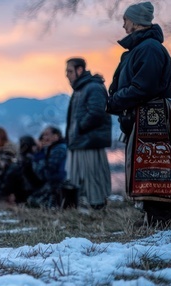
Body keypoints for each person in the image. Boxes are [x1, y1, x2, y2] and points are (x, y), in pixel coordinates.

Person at [107, 1, 171, 227]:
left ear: (135, 22)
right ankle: (153, 215)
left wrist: (114, 101)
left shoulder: (150, 49)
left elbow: (143, 87)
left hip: (153, 120)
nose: (123, 24)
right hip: (145, 119)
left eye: (126, 19)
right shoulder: (142, 48)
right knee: (148, 166)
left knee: (156, 166)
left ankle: (163, 218)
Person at [65, 57, 113, 209]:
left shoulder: (93, 87)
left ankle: (97, 206)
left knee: (93, 176)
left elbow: (97, 113)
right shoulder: (81, 89)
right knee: (80, 177)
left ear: (80, 70)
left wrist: (80, 128)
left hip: (90, 141)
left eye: (70, 71)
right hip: (81, 141)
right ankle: (85, 206)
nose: (67, 75)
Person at [27, 127, 70, 208]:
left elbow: (47, 173)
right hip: (55, 183)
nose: (44, 138)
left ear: (56, 136)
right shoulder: (54, 148)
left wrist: (40, 154)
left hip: (58, 185)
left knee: (34, 201)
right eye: (43, 135)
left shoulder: (59, 149)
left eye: (47, 135)